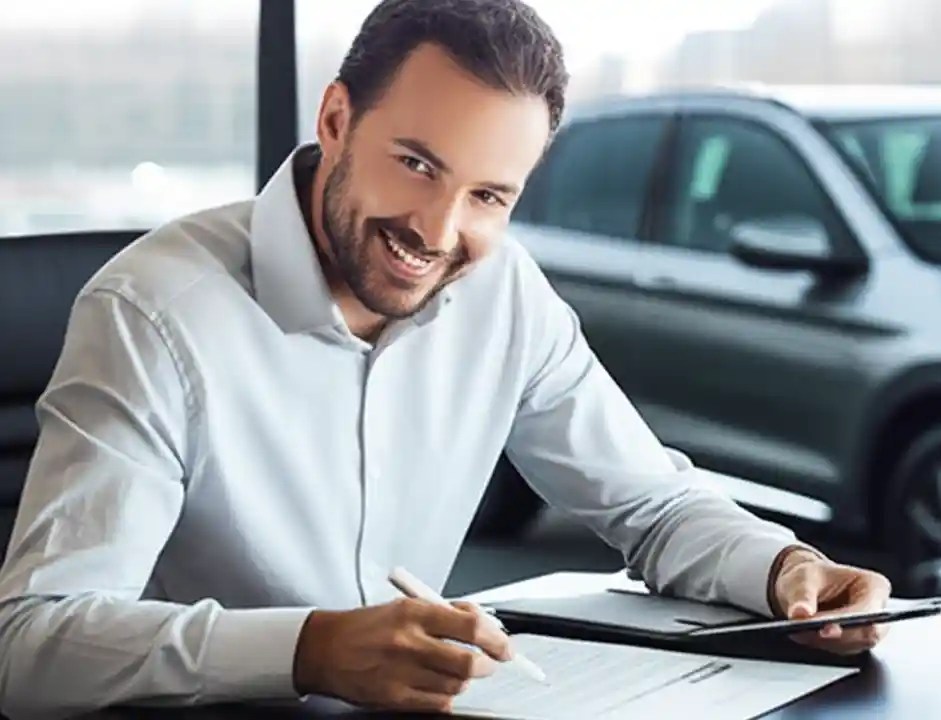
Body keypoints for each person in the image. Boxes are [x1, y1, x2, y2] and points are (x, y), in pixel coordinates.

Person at [0, 0, 892, 716]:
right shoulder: (152, 314)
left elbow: (651, 507)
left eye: (488, 196)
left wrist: (785, 571)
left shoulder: (503, 293)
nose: (438, 231)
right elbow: (33, 644)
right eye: (417, 165)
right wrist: (310, 649)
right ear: (337, 119)